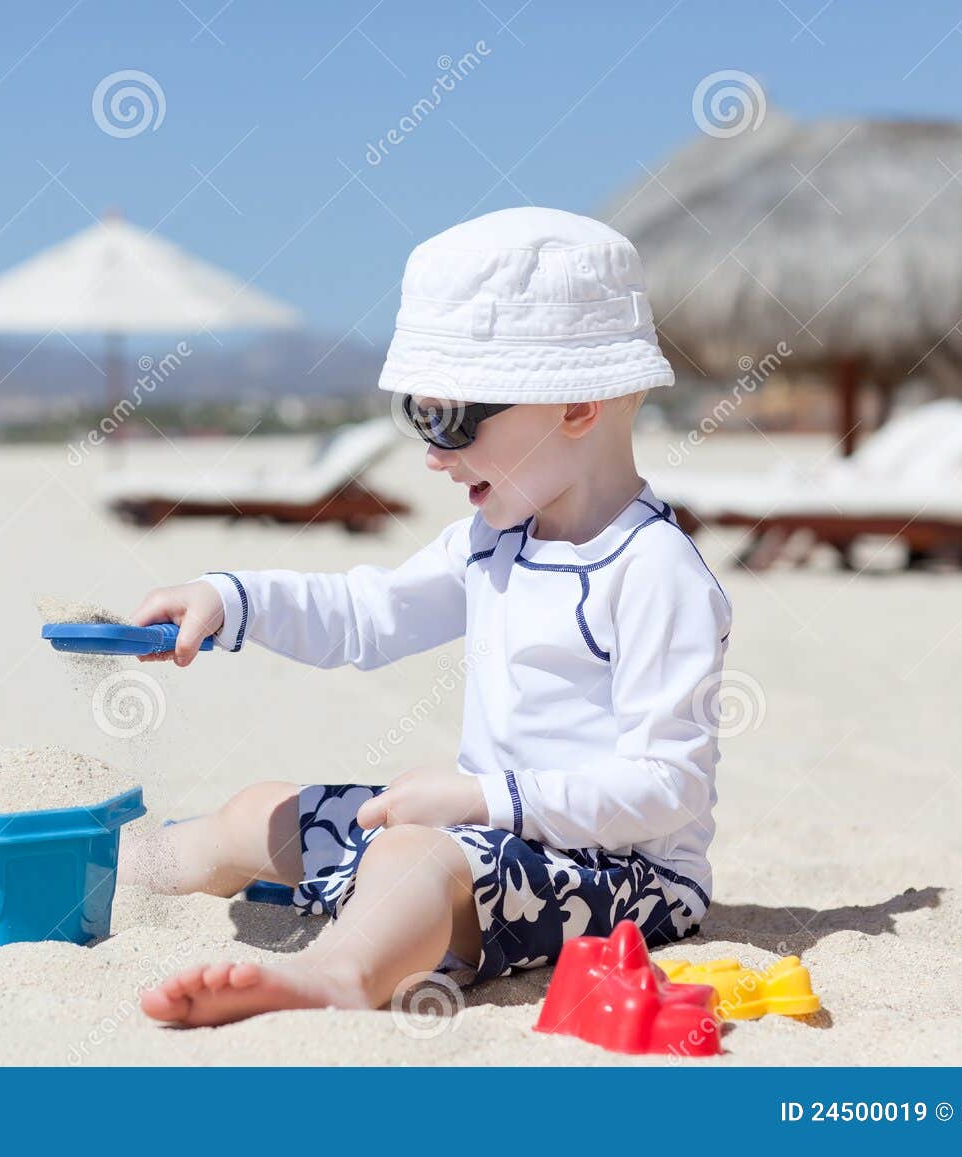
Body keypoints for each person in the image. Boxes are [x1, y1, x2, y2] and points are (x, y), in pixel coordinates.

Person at [122, 207, 731, 1027]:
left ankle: (337, 973)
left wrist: (486, 797)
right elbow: (368, 614)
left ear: (577, 404)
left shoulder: (652, 569)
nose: (433, 454)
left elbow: (668, 785)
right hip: (482, 833)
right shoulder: (494, 540)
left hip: (627, 877)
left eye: (452, 418)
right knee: (259, 811)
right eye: (419, 413)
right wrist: (235, 600)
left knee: (411, 854)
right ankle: (109, 865)